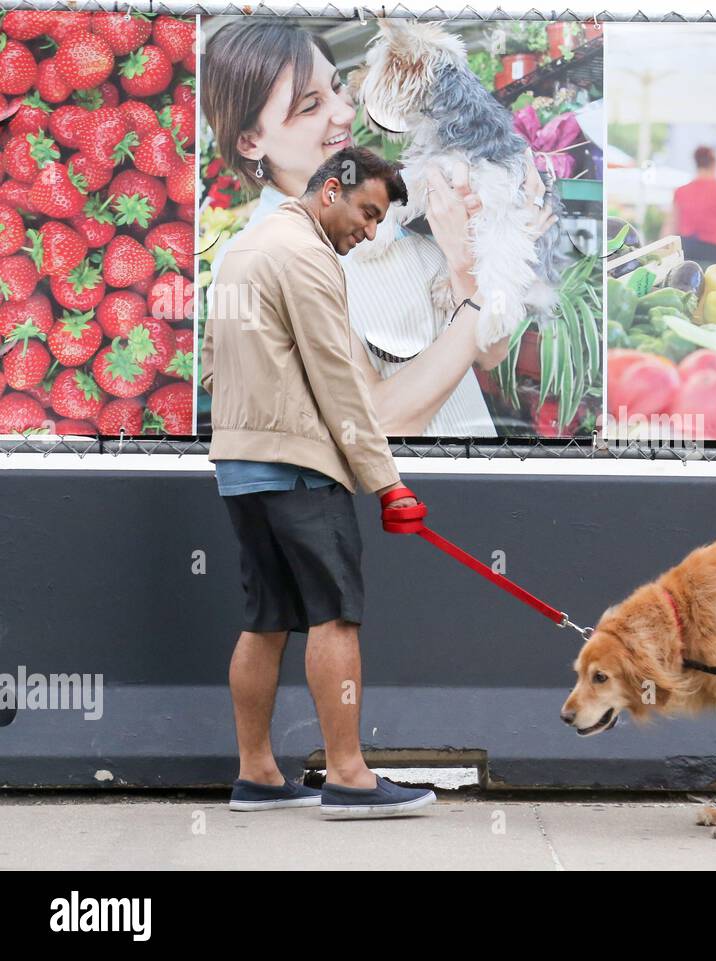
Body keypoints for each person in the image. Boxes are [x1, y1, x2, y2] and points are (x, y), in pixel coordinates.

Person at [200, 147, 441, 819]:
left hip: (240, 466)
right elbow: (339, 379)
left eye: (378, 220)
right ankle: (349, 776)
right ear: (330, 188)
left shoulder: (242, 249)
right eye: (365, 212)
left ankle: (258, 775)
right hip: (301, 467)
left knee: (266, 618)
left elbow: (214, 366)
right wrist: (386, 481)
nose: (369, 232)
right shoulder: (307, 258)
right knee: (334, 614)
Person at [202, 20, 554, 437]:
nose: (345, 111)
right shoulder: (261, 261)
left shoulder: (397, 197)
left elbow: (491, 352)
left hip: (475, 468)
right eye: (309, 106)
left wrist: (469, 266)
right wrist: (480, 294)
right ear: (249, 141)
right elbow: (374, 419)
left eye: (336, 87)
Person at [664, 146, 716, 267]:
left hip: (687, 251)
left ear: (696, 163)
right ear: (714, 164)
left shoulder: (681, 191)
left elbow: (671, 224)